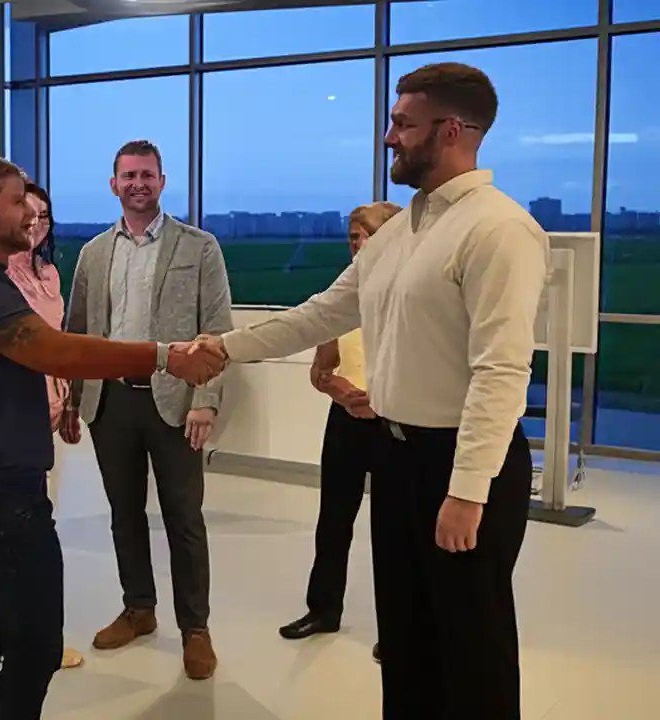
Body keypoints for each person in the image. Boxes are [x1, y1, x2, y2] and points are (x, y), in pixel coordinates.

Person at [191, 62, 548, 719]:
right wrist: (224, 348)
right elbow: (321, 313)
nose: (389, 137)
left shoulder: (499, 229)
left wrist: (467, 491)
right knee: (406, 637)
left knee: (473, 644)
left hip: (463, 463)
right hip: (397, 454)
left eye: (402, 123)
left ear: (451, 131)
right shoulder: (401, 232)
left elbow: (501, 371)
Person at [0, 151, 224, 720]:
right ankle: (138, 606)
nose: (31, 214)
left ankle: (193, 626)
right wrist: (165, 356)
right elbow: (59, 348)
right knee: (35, 646)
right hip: (0, 499)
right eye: (17, 202)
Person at [63, 139, 233, 681]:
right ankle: (138, 608)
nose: (138, 183)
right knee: (124, 514)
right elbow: (77, 333)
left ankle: (195, 629)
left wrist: (206, 401)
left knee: (185, 519)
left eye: (147, 175)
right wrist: (73, 397)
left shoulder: (199, 247)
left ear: (163, 182)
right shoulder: (93, 253)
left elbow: (217, 330)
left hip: (176, 403)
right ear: (113, 184)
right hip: (110, 402)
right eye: (129, 175)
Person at [277, 201, 401, 667]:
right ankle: (323, 609)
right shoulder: (340, 300)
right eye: (352, 237)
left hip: (395, 425)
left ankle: (399, 629)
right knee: (333, 520)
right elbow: (320, 371)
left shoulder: (410, 299)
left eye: (367, 235)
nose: (358, 244)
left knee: (394, 530)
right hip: (347, 421)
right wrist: (340, 390)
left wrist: (382, 399)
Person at [5, 180, 84, 671]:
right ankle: (27, 640)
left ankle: (38, 636)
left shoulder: (48, 273)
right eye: (27, 214)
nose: (35, 224)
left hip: (48, 413)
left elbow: (59, 340)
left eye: (44, 216)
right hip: (13, 416)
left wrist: (69, 401)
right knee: (20, 533)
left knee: (39, 523)